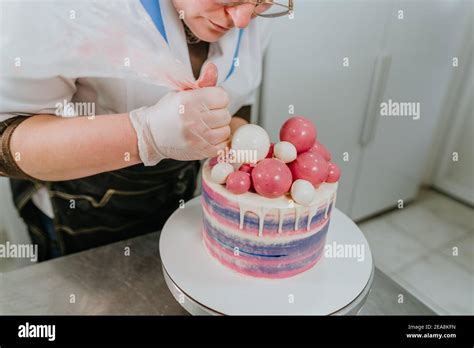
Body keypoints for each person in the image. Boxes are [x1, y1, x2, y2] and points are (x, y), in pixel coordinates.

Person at [0, 0, 293, 260]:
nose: (242, 19)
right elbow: (7, 141)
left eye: (263, 2)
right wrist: (145, 135)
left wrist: (235, 135)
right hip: (83, 213)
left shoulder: (250, 14)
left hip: (175, 204)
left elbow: (240, 87)